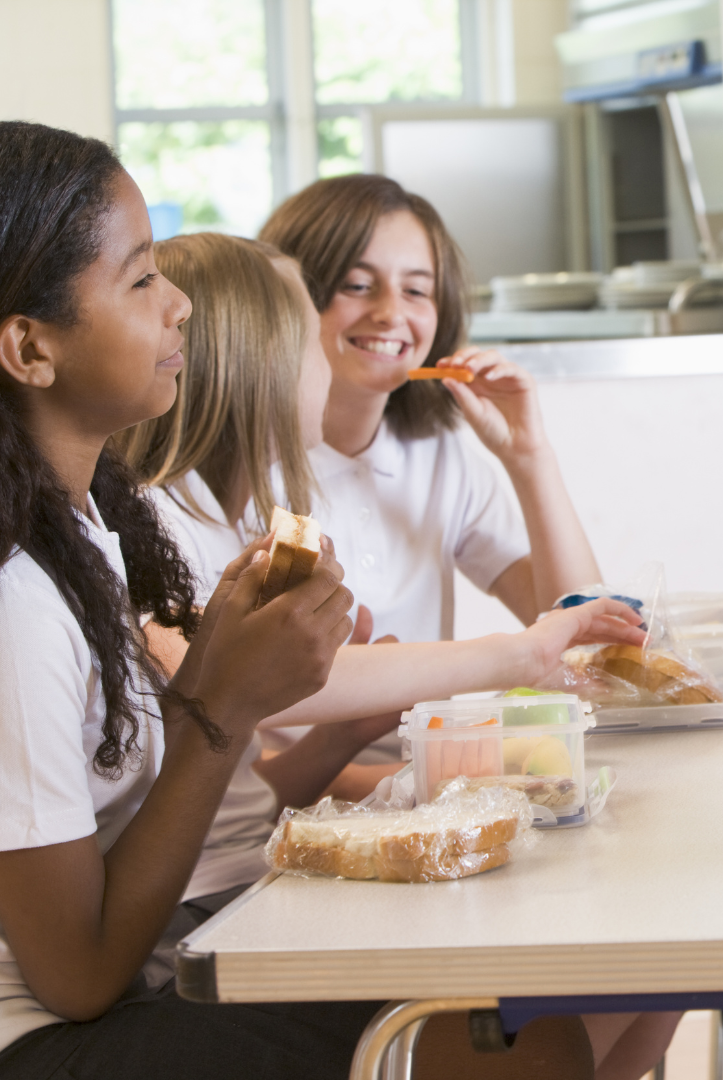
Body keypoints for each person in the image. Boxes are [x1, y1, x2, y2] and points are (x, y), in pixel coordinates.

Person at [117, 231, 676, 1080]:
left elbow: (235, 769)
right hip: (207, 913)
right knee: (560, 1003)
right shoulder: (157, 522)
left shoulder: (243, 517)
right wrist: (515, 654)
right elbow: (227, 682)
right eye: (313, 336)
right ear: (261, 362)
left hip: (254, 870)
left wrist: (348, 736)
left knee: (643, 981)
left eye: (418, 289)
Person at [0, 119, 386, 1080]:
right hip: (49, 1040)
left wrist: (216, 670)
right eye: (140, 280)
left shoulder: (87, 528)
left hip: (143, 966)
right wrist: (223, 710)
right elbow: (77, 977)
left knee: (493, 984)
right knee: (483, 1023)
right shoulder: (13, 597)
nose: (179, 308)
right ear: (30, 348)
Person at [257, 175, 601, 782]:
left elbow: (582, 632)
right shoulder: (242, 470)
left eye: (418, 290)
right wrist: (445, 781)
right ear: (288, 303)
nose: (391, 313)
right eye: (357, 286)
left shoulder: (439, 454)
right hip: (295, 805)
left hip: (425, 783)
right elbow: (237, 772)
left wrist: (530, 457)